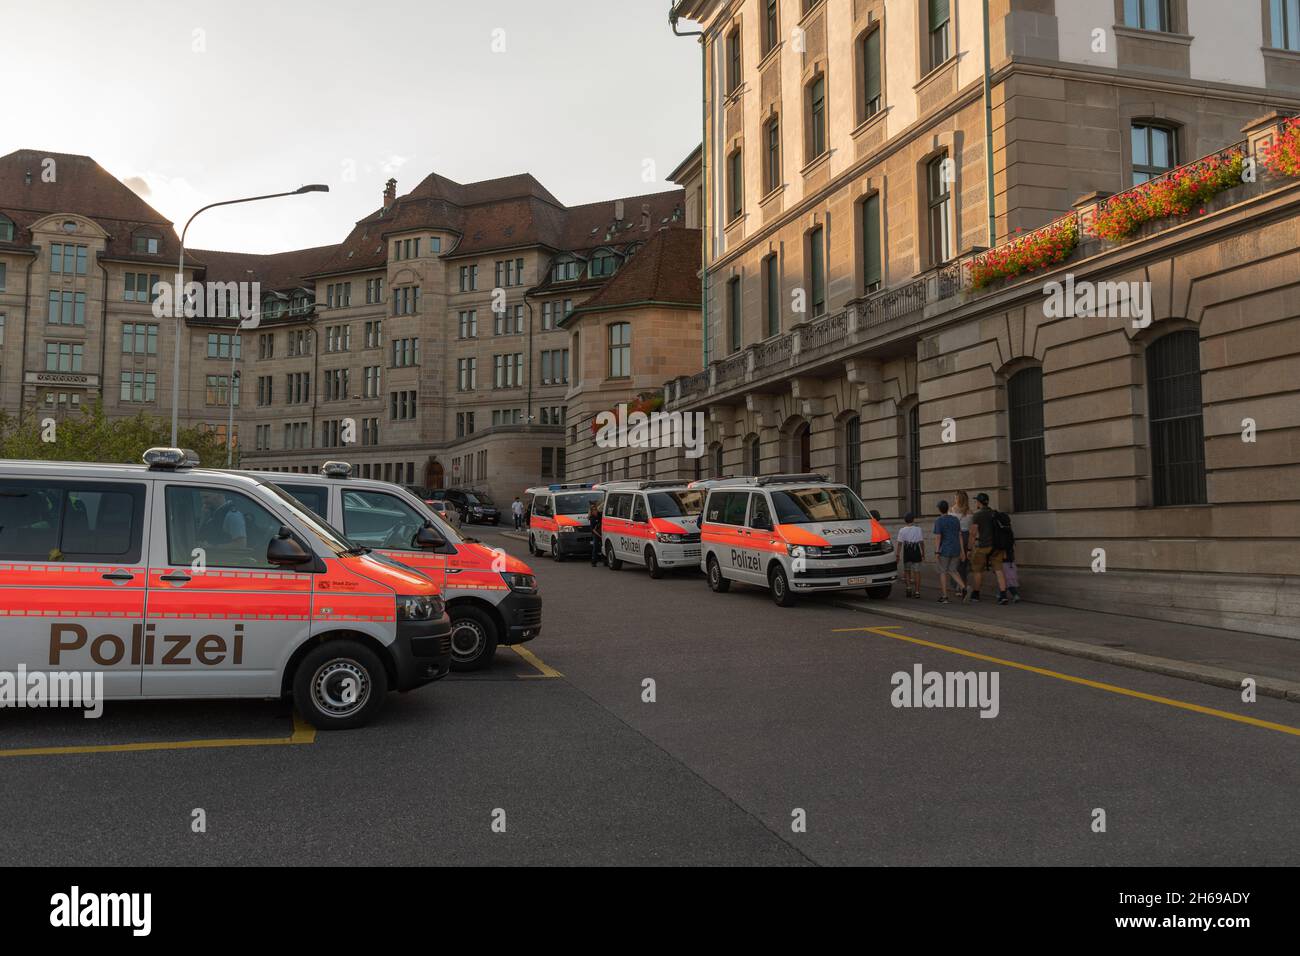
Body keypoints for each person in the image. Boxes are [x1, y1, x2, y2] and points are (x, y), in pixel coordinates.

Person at [968, 492, 1008, 604]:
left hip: (983, 546)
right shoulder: (994, 513)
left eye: (976, 501)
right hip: (997, 547)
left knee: (977, 570)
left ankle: (976, 594)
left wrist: (969, 549)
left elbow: (973, 533)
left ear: (979, 502)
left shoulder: (977, 515)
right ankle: (1003, 595)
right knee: (999, 570)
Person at [932, 500, 967, 604]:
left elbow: (938, 537)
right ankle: (964, 588)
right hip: (956, 548)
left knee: (943, 571)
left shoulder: (939, 520)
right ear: (947, 508)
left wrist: (937, 551)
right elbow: (960, 535)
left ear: (939, 509)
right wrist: (962, 551)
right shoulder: (955, 519)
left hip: (945, 549)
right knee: (953, 570)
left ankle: (944, 596)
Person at [895, 512, 925, 599]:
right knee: (917, 572)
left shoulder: (902, 530)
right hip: (916, 550)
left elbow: (900, 544)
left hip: (907, 550)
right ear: (913, 520)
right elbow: (921, 542)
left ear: (905, 521)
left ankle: (908, 588)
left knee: (907, 571)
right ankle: (917, 591)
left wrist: (897, 555)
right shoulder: (918, 529)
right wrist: (923, 552)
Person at [952, 490, 973, 598]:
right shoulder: (970, 512)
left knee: (954, 563)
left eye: (955, 497)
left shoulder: (952, 511)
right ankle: (962, 585)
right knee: (964, 564)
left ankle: (958, 586)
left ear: (958, 499)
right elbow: (971, 529)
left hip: (956, 537)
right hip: (967, 537)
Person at [588, 501, 604, 567]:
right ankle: (594, 561)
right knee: (596, 546)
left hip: (602, 532)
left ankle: (605, 561)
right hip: (596, 533)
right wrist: (599, 536)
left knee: (604, 546)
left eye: (595, 509)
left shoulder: (600, 515)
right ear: (591, 511)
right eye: (593, 510)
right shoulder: (592, 518)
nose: (595, 511)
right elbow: (593, 530)